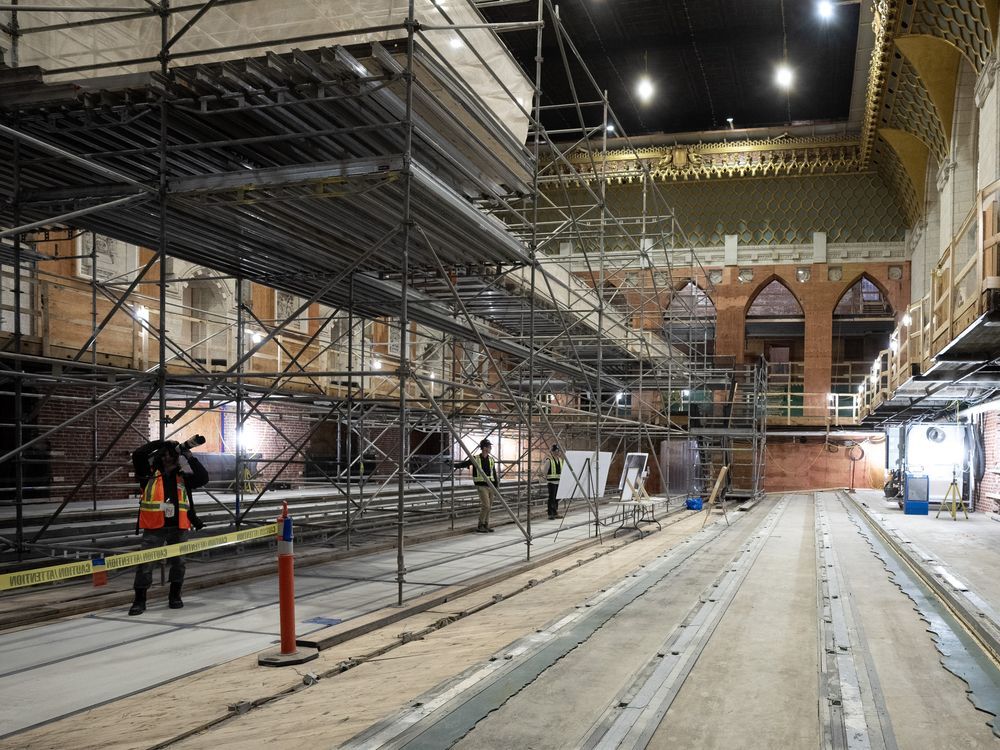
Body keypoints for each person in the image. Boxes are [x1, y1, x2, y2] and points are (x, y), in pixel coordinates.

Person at [128, 439, 208, 616]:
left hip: (179, 527)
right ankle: (139, 600)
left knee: (179, 563)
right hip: (154, 527)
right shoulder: (148, 475)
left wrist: (190, 456)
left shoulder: (183, 477)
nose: (167, 458)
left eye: (171, 455)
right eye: (164, 455)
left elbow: (203, 478)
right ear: (159, 457)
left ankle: (175, 596)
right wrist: (162, 443)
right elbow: (139, 454)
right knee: (145, 564)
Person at [455, 439, 499, 533]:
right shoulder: (476, 458)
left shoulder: (491, 459)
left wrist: (496, 487)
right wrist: (453, 465)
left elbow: (494, 473)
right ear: (484, 448)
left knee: (489, 507)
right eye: (489, 447)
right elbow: (464, 464)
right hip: (481, 486)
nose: (490, 448)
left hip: (491, 486)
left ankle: (486, 525)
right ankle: (480, 525)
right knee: (486, 506)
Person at [541, 444, 564, 520]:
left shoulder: (560, 460)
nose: (557, 452)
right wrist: (546, 478)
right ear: (552, 452)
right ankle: (550, 514)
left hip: (559, 482)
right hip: (551, 482)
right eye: (555, 451)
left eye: (558, 451)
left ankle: (555, 512)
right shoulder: (549, 460)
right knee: (552, 498)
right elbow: (545, 471)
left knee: (557, 498)